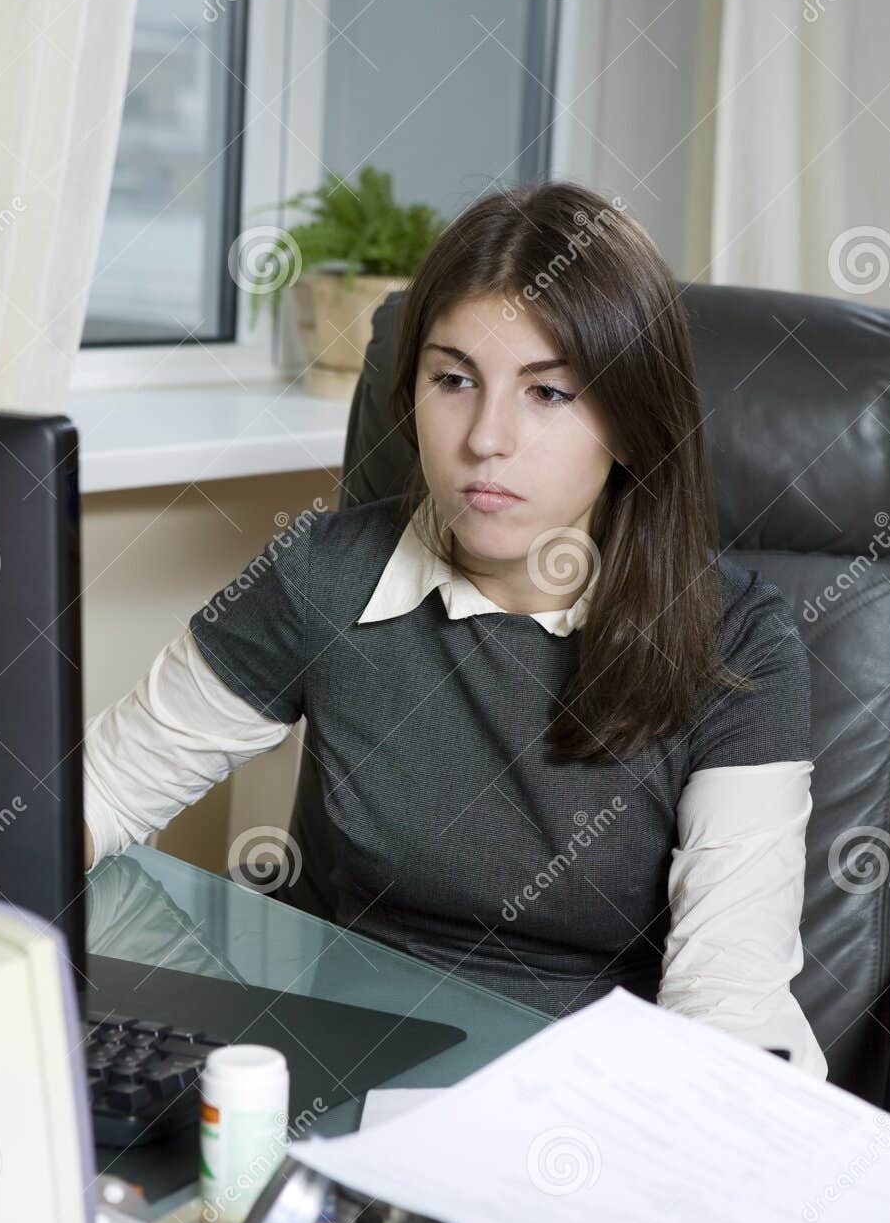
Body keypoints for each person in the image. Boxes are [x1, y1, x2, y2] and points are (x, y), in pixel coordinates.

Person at [82, 182, 827, 1079]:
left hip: (598, 1087)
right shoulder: (323, 575)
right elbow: (99, 792)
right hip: (346, 1063)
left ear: (630, 425)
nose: (485, 439)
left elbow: (723, 1003)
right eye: (453, 380)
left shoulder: (735, 642)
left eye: (548, 392)